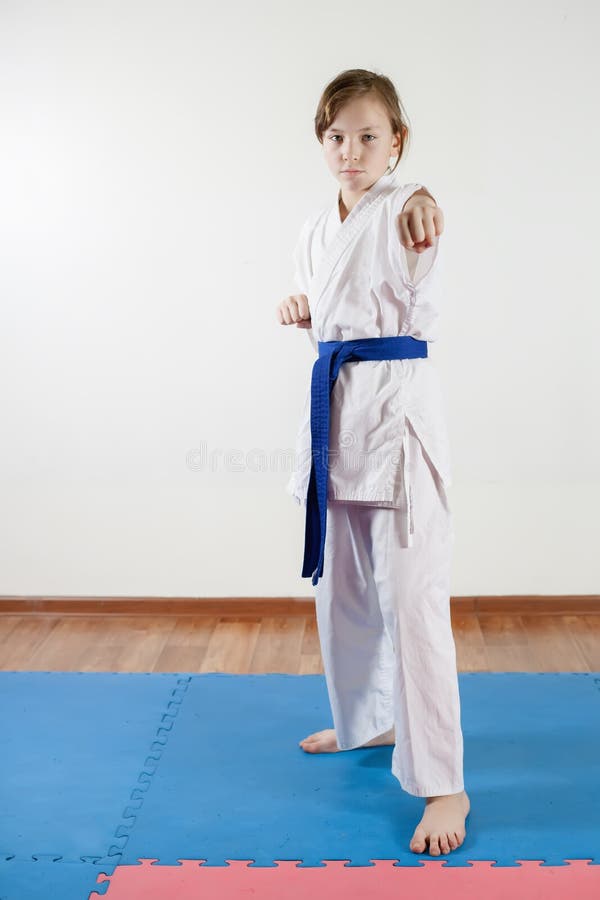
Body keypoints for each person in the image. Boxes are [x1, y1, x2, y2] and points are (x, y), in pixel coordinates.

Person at [275, 68, 470, 857]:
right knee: (344, 589)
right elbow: (328, 304)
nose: (350, 150)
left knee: (414, 601)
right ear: (322, 143)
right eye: (336, 137)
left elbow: (421, 222)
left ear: (397, 143)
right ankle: (368, 719)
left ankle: (444, 781)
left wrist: (423, 199)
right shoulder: (316, 231)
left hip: (397, 419)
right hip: (336, 412)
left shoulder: (402, 207)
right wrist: (303, 311)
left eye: (367, 136)